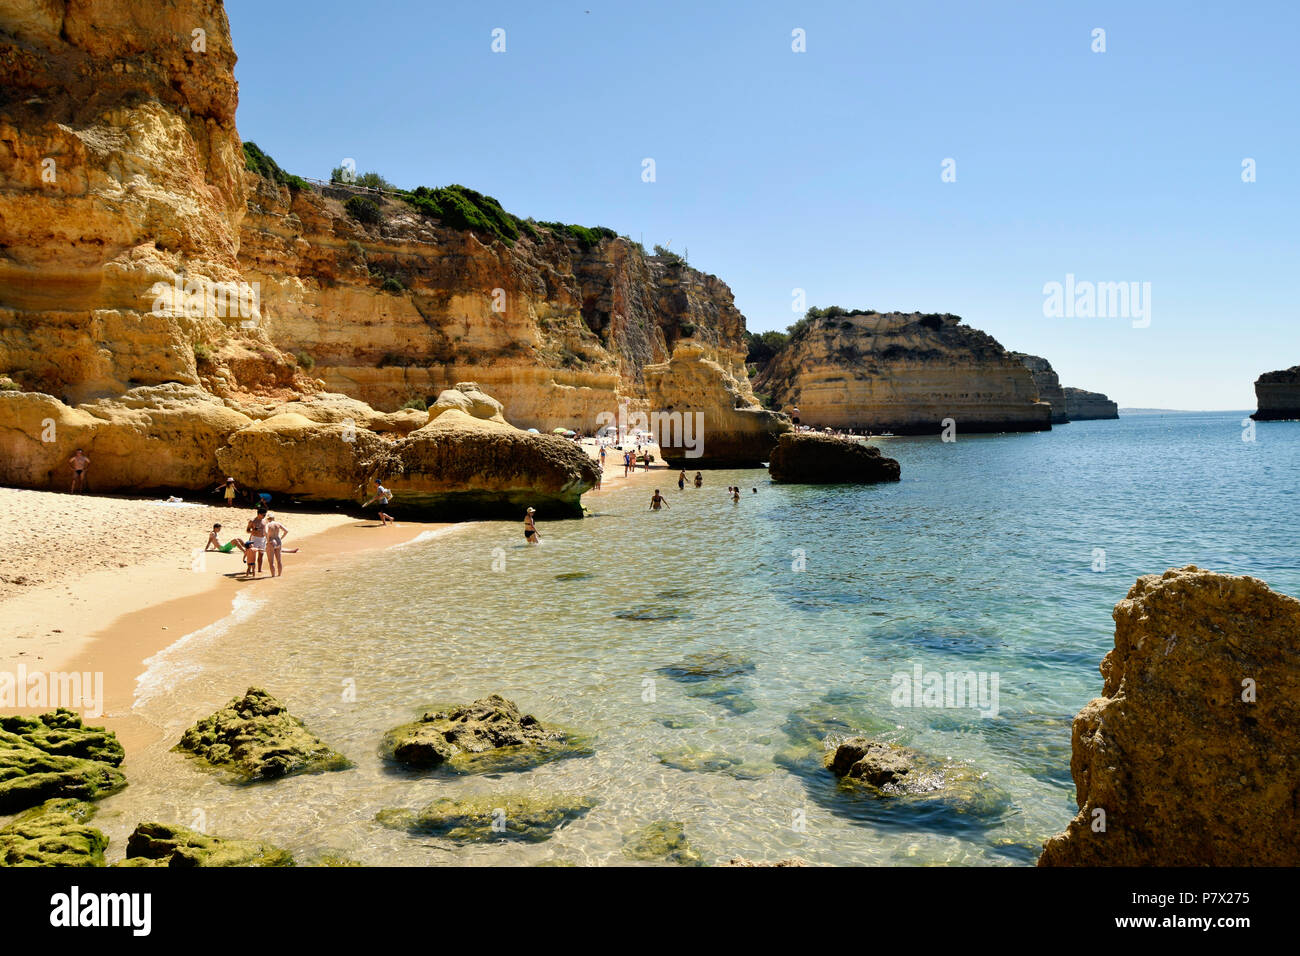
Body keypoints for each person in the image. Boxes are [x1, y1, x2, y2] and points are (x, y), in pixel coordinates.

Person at [245, 508, 268, 574]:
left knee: (261, 554)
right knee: (252, 555)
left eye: (265, 515)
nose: (264, 516)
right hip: (255, 538)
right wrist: (253, 530)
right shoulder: (252, 521)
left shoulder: (264, 520)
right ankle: (251, 570)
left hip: (263, 539)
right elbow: (247, 530)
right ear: (258, 514)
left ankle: (259, 569)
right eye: (263, 515)